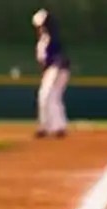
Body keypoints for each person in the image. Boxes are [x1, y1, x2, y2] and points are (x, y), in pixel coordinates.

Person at [32, 9, 70, 138]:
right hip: (55, 69)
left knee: (47, 96)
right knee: (50, 97)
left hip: (56, 69)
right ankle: (53, 126)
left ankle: (52, 127)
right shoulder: (44, 39)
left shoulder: (50, 38)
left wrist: (55, 66)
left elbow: (57, 56)